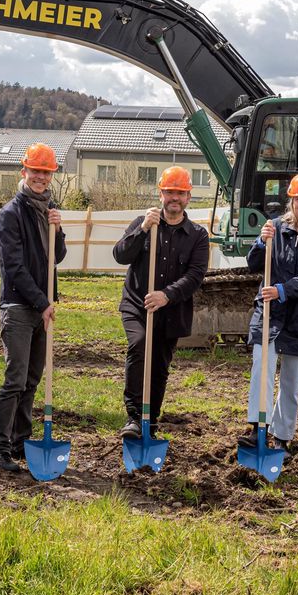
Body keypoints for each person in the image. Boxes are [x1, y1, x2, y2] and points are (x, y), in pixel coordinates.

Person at [237, 172, 298, 452]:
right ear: (290, 201)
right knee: (262, 369)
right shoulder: (276, 228)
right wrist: (260, 241)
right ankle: (258, 427)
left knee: (291, 383)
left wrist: (282, 290)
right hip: (269, 312)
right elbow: (253, 264)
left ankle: (281, 438)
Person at [112, 166, 210, 439]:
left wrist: (166, 295)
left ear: (188, 197)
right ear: (161, 194)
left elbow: (195, 276)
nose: (174, 198)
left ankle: (150, 420)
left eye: (180, 193)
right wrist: (142, 229)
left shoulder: (198, 236)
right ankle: (133, 417)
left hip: (172, 310)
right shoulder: (142, 223)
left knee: (160, 366)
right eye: (169, 192)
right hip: (137, 305)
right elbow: (120, 255)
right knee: (139, 345)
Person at [0, 142, 66, 472]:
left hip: (41, 308)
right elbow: (14, 268)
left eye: (46, 172)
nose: (40, 177)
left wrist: (58, 231)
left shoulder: (48, 211)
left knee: (32, 380)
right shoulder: (10, 214)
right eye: (35, 171)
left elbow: (56, 258)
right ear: (24, 172)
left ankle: (21, 441)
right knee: (15, 379)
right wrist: (42, 302)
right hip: (19, 308)